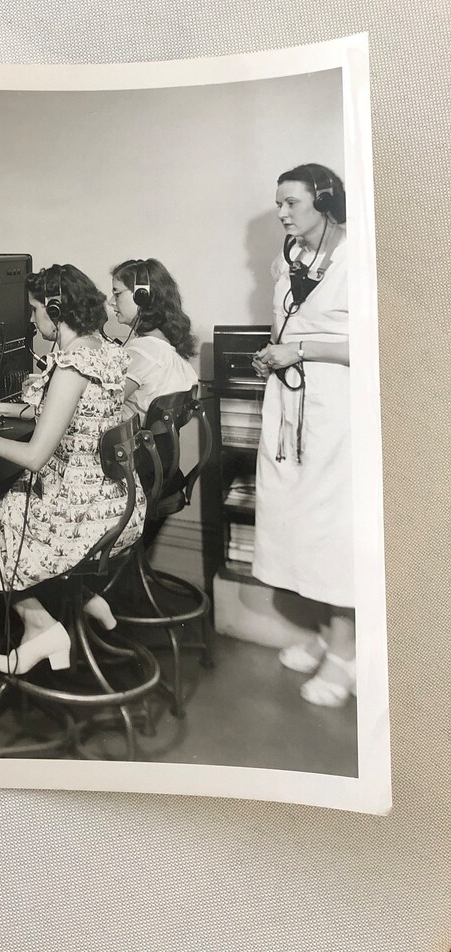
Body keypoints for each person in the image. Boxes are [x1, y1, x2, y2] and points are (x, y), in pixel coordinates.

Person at [0, 264, 145, 675]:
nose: (32, 319)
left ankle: (40, 626)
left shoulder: (72, 366)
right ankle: (86, 598)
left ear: (56, 311)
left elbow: (36, 456)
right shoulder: (102, 348)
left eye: (36, 310)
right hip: (118, 505)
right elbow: (62, 412)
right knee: (6, 504)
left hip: (80, 514)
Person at [251, 163, 353, 708]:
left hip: (337, 411)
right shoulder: (288, 261)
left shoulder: (359, 258)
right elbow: (285, 330)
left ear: (324, 200)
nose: (282, 212)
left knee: (334, 527)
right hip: (292, 405)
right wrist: (274, 352)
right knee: (303, 522)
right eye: (279, 203)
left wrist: (301, 350)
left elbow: (380, 346)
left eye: (291, 202)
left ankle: (345, 657)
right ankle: (327, 637)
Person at [108, 258, 199, 420]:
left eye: (117, 294)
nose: (110, 302)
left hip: (129, 443)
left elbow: (105, 405)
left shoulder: (142, 351)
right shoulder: (168, 349)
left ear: (142, 296)